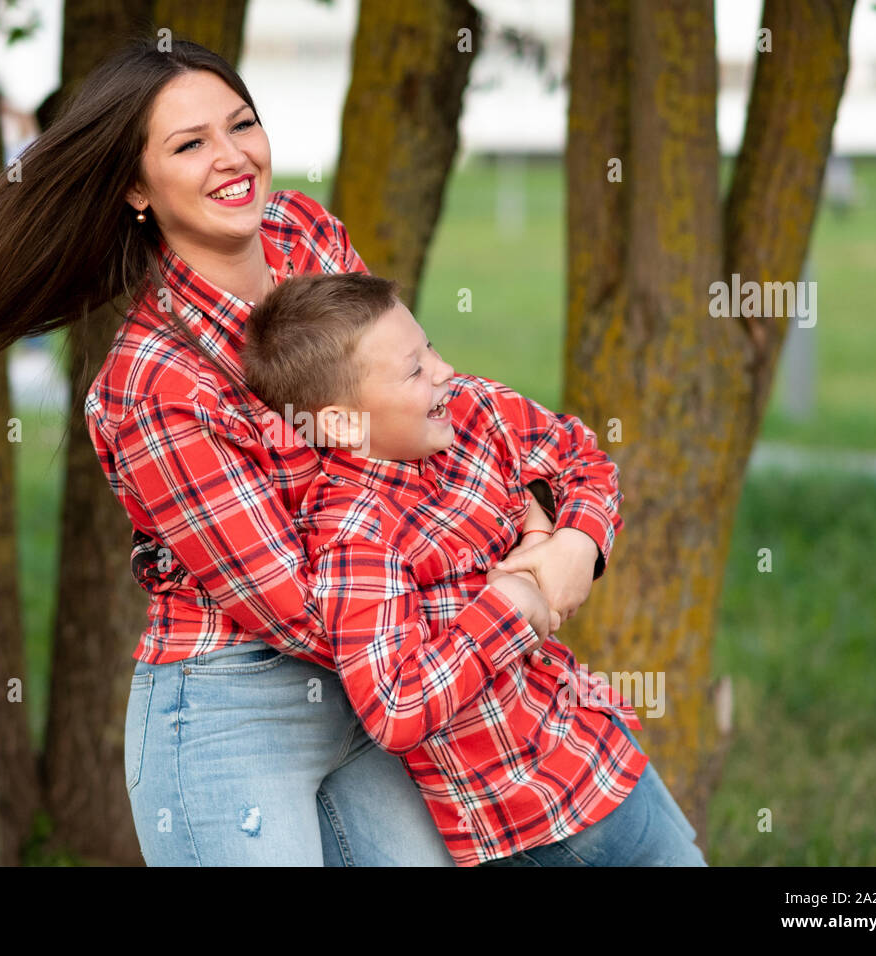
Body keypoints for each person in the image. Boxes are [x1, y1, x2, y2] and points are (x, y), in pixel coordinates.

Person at [0, 37, 611, 866]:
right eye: (189, 144)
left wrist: (547, 530)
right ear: (134, 186)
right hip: (238, 705)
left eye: (242, 124)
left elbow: (412, 425)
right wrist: (514, 585)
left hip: (374, 680)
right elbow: (303, 604)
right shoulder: (148, 384)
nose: (232, 159)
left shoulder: (304, 233)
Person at [242, 271, 707, 866]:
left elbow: (580, 456)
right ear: (339, 423)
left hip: (596, 740)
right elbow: (394, 705)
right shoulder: (356, 537)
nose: (444, 370)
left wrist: (577, 542)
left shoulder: (471, 411)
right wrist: (509, 609)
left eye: (429, 345)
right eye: (414, 370)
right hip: (532, 817)